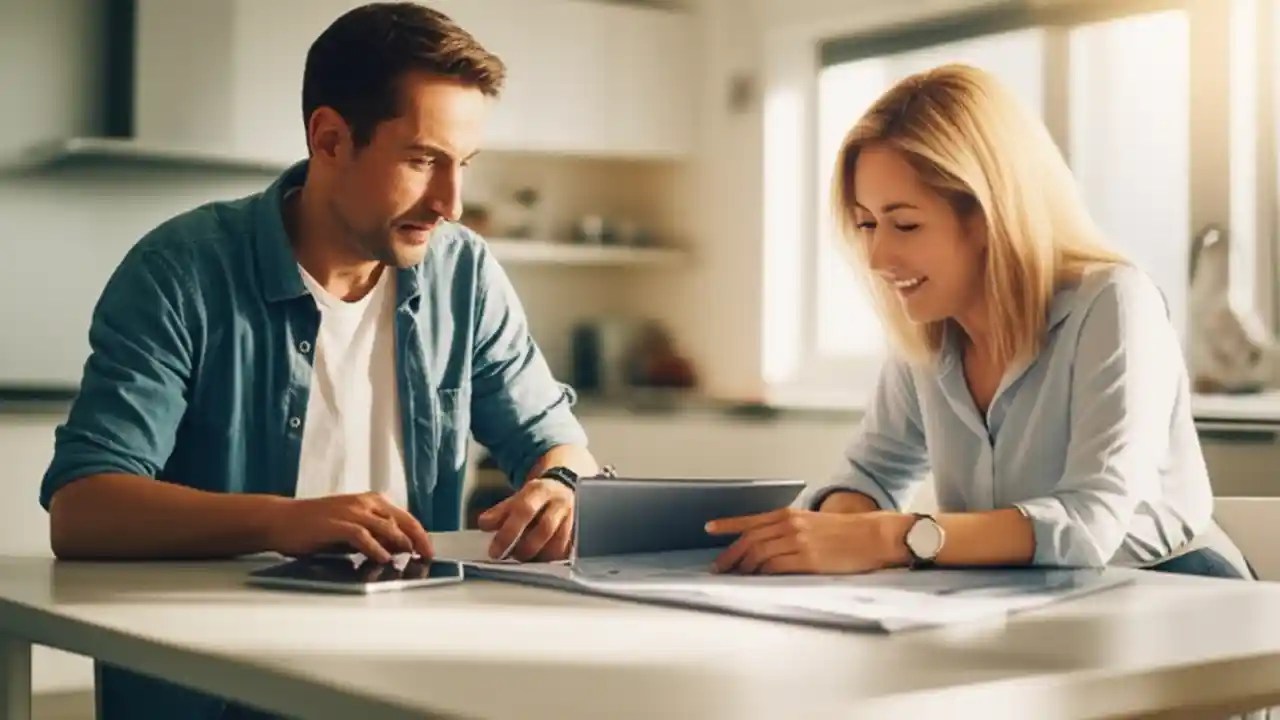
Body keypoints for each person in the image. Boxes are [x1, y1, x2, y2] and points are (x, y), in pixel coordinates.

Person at [39, 3, 599, 717]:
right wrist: (282, 521)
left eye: (463, 165)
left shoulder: (466, 275)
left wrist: (561, 487)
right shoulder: (179, 270)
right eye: (423, 160)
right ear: (330, 139)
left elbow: (563, 446)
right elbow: (84, 510)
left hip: (408, 680)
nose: (452, 203)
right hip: (210, 687)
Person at [707, 64, 1253, 580]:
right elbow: (873, 471)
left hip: (1171, 591)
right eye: (867, 224)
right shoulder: (927, 327)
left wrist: (887, 538)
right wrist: (841, 524)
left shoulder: (1113, 304)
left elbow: (1090, 525)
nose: (876, 258)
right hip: (1027, 595)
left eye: (905, 224)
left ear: (991, 215)